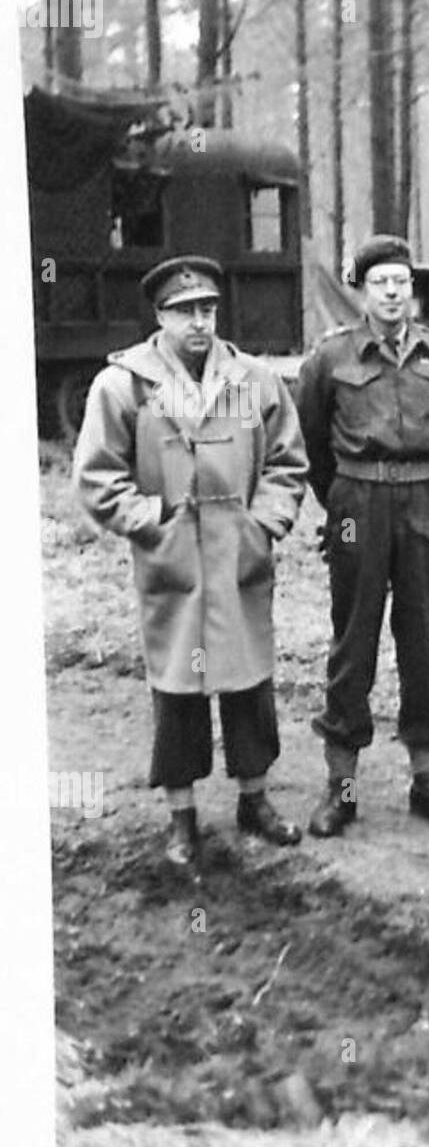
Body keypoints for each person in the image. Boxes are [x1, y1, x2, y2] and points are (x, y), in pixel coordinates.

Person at [73, 255, 307, 868]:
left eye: (207, 310)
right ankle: (183, 817)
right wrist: (152, 520)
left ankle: (255, 801)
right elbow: (98, 478)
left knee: (249, 681)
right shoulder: (124, 384)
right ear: (160, 317)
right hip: (172, 565)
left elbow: (288, 462)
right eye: (184, 313)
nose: (199, 324)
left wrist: (264, 525)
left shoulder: (254, 380)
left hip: (239, 557)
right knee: (178, 689)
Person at [295, 234, 429, 838]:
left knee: (422, 640)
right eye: (379, 284)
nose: (392, 293)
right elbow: (312, 441)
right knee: (354, 640)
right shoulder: (331, 356)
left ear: (411, 291)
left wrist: (425, 492)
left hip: (421, 501)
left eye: (401, 282)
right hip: (355, 502)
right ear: (362, 292)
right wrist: (342, 500)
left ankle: (428, 778)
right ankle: (342, 786)